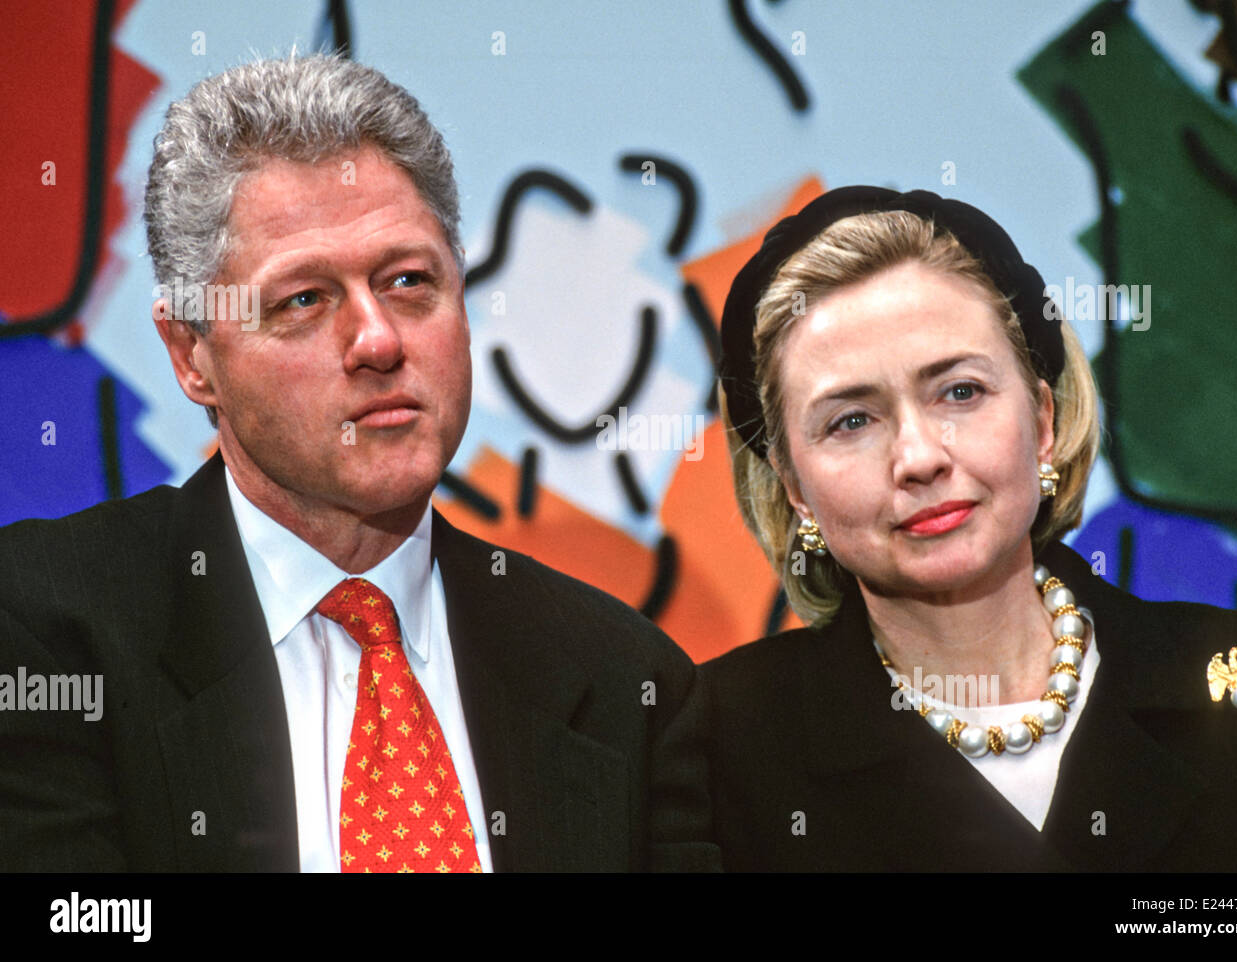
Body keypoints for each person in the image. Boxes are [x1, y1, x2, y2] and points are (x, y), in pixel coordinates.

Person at [0, 54, 716, 873]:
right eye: (304, 299)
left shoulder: (626, 682)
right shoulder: (42, 636)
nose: (379, 340)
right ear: (192, 354)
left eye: (409, 281)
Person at [706, 185, 1237, 871]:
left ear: (1044, 420)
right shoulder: (714, 749)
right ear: (794, 488)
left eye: (960, 391)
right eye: (851, 421)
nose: (920, 457)